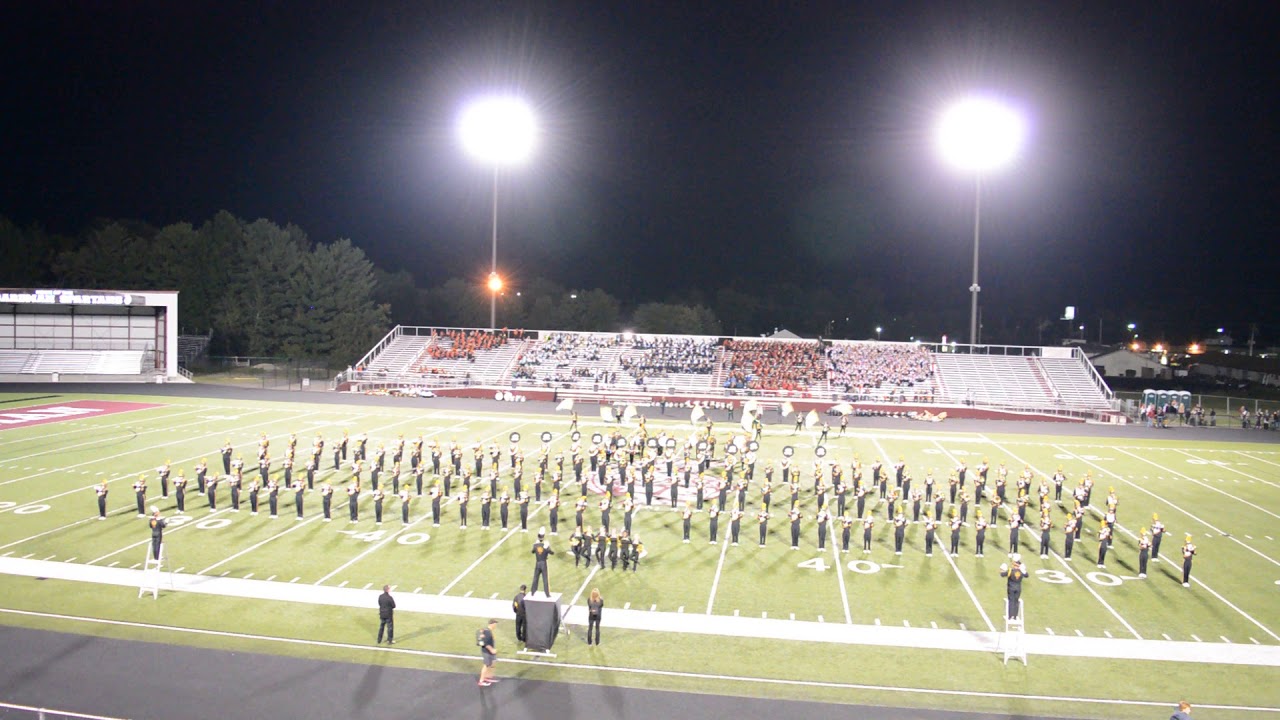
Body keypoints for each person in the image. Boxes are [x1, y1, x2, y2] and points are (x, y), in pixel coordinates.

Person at [999, 554, 1027, 619]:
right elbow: (1027, 575)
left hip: (1011, 588)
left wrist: (1001, 569)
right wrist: (1024, 570)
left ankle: (1010, 616)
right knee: (1016, 601)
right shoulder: (1021, 571)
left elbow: (1002, 574)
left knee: (1011, 601)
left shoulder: (1010, 570)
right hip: (1018, 588)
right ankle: (1015, 616)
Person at [531, 528, 554, 596]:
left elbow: (532, 551)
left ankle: (533, 592)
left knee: (535, 578)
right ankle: (547, 594)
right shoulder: (545, 545)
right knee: (545, 579)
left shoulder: (535, 545)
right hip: (543, 563)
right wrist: (547, 547)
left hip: (537, 563)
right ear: (543, 537)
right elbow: (552, 553)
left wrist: (535, 545)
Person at [478, 619, 499, 687]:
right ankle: (481, 681)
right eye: (495, 624)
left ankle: (486, 678)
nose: (495, 626)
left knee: (491, 664)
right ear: (491, 624)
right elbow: (485, 643)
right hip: (487, 652)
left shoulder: (488, 631)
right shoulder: (488, 632)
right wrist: (492, 650)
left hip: (489, 652)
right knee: (486, 665)